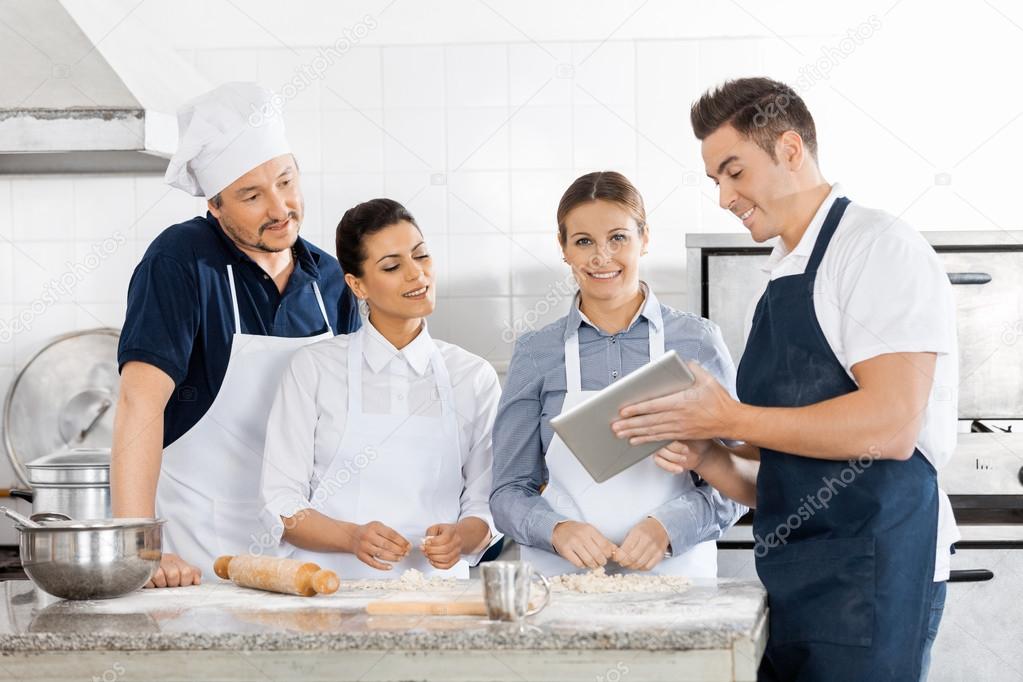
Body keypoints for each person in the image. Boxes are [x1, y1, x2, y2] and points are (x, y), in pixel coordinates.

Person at [612, 78, 958, 681]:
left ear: (791, 150)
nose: (723, 197)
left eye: (734, 171)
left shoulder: (875, 249)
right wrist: (710, 455)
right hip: (798, 579)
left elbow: (893, 425)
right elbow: (789, 477)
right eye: (716, 180)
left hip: (875, 575)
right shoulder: (781, 277)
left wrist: (731, 419)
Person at [111, 82, 360, 587]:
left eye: (286, 181)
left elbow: (350, 422)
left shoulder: (331, 279)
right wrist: (139, 546)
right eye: (251, 195)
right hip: (199, 552)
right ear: (216, 206)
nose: (280, 207)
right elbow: (140, 405)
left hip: (312, 555)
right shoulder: (180, 262)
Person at [490, 171, 745, 577]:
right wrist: (557, 530)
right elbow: (508, 491)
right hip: (562, 582)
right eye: (584, 241)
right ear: (564, 249)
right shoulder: (537, 352)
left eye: (618, 238)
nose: (601, 257)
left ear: (645, 238)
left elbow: (739, 478)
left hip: (676, 578)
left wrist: (669, 526)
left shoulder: (696, 341)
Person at [259, 199, 501, 578]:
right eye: (392, 266)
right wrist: (351, 537)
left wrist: (461, 537)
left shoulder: (473, 376)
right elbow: (281, 502)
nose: (417, 275)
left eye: (421, 256)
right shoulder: (315, 368)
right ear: (357, 285)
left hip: (436, 599)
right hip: (328, 594)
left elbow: (486, 503)